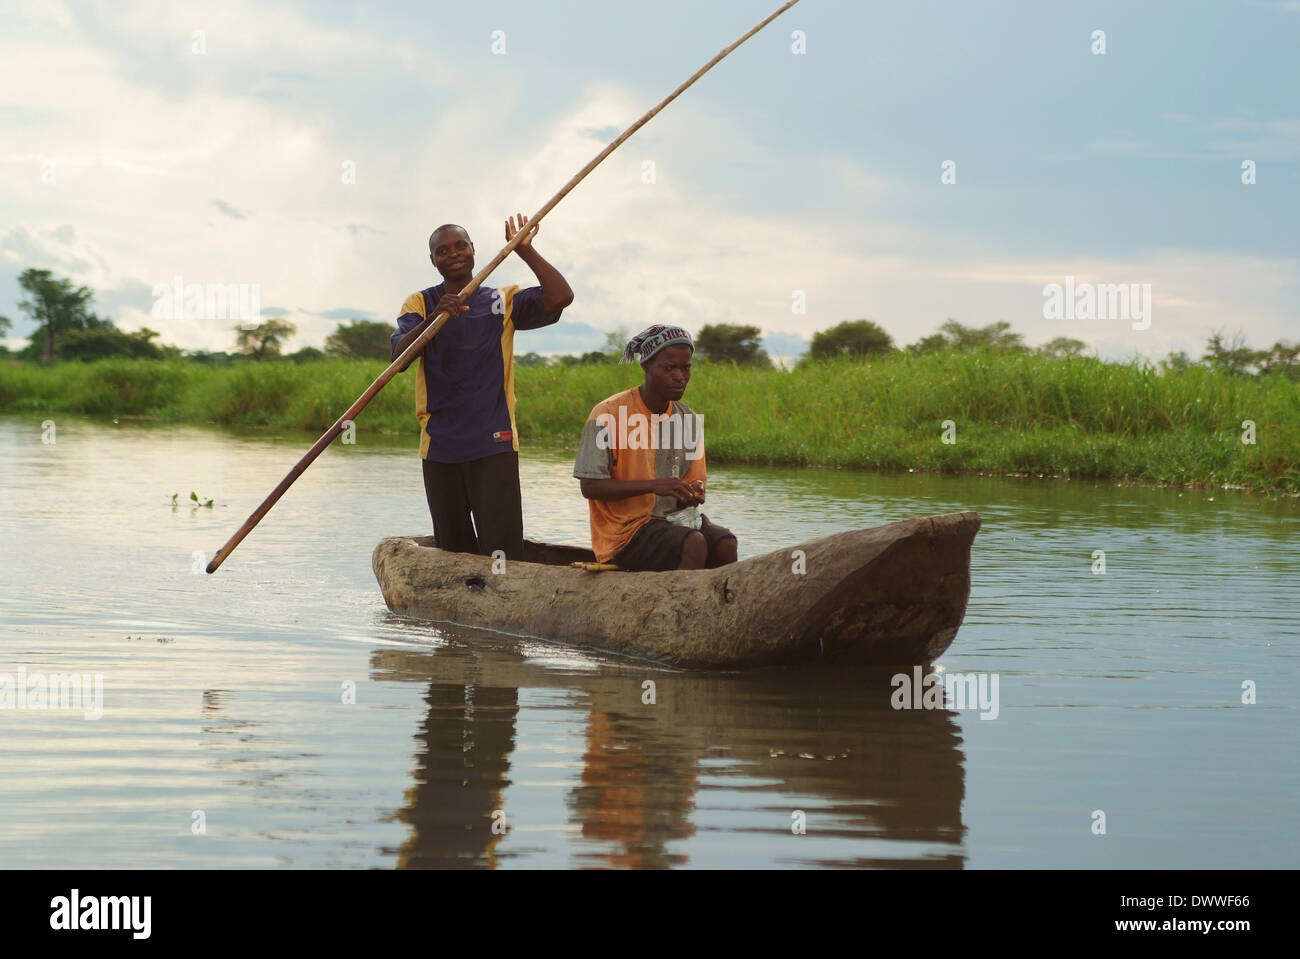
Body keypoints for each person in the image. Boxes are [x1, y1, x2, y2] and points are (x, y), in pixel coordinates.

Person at [391, 215, 573, 560]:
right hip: (440, 445)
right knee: (452, 551)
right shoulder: (420, 303)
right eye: (442, 251)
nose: (453, 254)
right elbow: (399, 359)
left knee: (502, 550)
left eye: (461, 246)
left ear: (474, 250)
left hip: (493, 443)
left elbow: (561, 297)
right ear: (433, 261)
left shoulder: (501, 301)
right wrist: (435, 319)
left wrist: (524, 250)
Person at [573, 325, 737, 571]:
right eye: (669, 368)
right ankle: (680, 608)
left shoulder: (688, 419)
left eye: (686, 367)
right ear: (646, 366)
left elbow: (694, 486)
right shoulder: (606, 415)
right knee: (694, 543)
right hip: (624, 534)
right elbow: (590, 487)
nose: (680, 376)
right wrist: (654, 485)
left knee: (725, 543)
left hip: (672, 523)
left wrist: (690, 493)